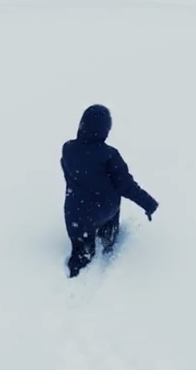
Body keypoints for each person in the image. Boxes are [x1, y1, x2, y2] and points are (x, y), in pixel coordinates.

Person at [61, 104, 158, 278]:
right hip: (103, 210)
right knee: (111, 209)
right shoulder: (110, 155)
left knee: (81, 246)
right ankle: (107, 237)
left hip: (74, 213)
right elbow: (126, 186)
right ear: (105, 129)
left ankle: (80, 257)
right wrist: (148, 203)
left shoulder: (67, 148)